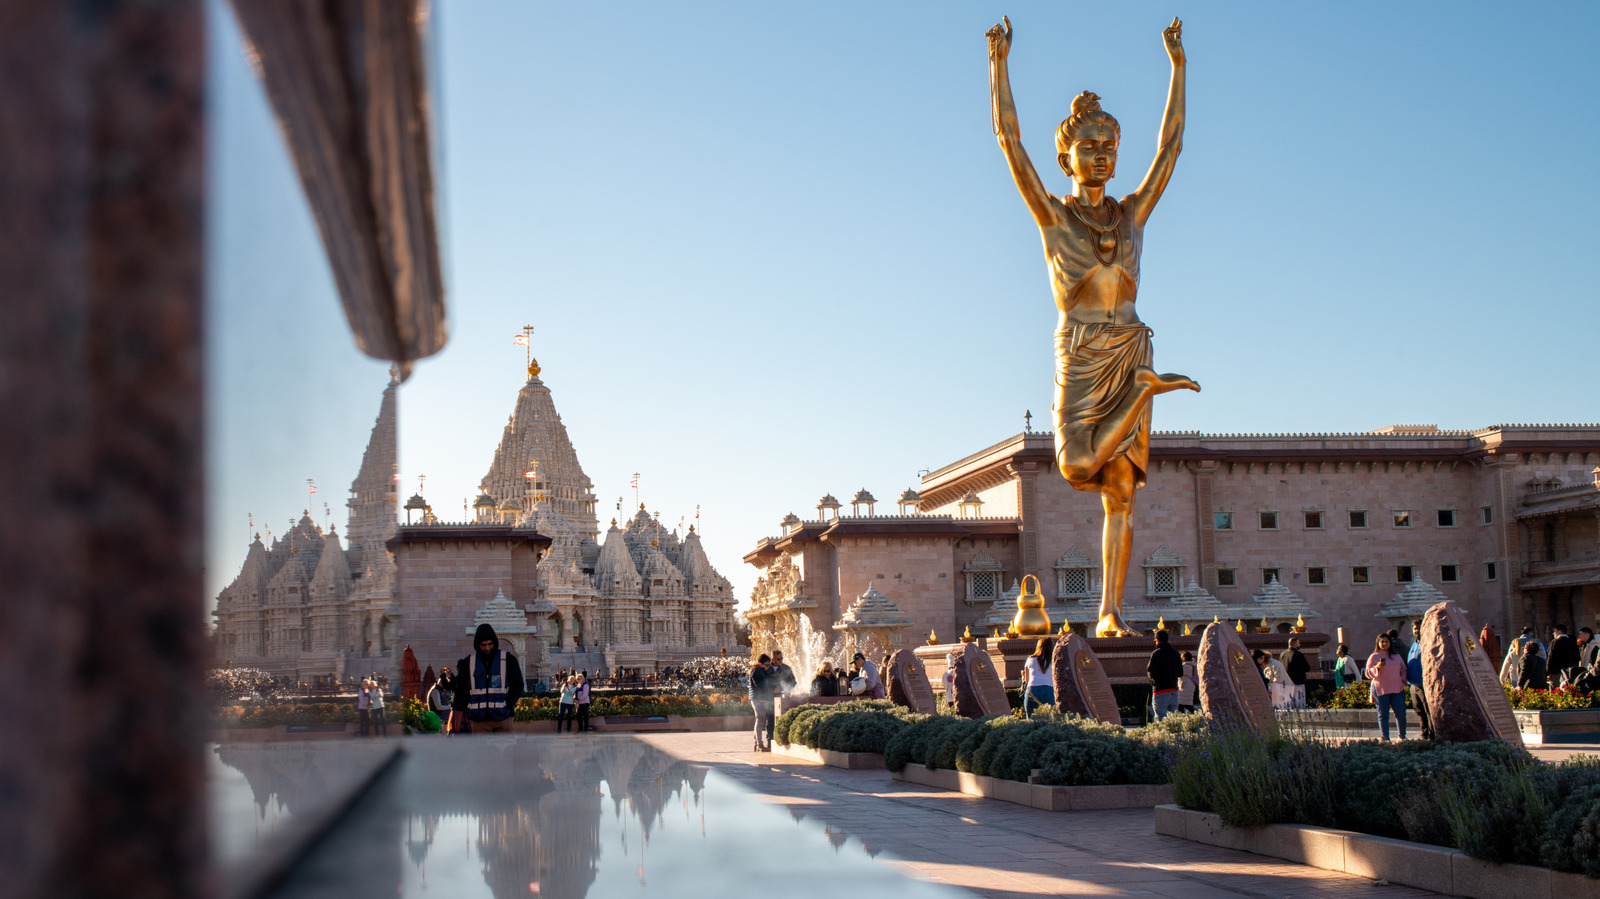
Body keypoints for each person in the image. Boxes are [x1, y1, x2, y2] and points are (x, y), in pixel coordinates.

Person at [985, 16, 1198, 638]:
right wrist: (998, 65)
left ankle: (1110, 611)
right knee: (1077, 464)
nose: (1102, 154)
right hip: (1080, 353)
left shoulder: (1132, 214)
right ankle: (1144, 391)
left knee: (1121, 495)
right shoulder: (1052, 217)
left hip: (1129, 344)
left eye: (1109, 146)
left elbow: (1172, 147)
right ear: (1066, 156)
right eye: (1090, 146)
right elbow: (1008, 140)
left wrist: (1178, 68)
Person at [450, 622, 527, 734]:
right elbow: (461, 689)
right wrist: (462, 709)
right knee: (482, 751)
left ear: (495, 643)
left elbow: (518, 684)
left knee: (505, 750)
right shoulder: (469, 662)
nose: (487, 648)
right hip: (478, 719)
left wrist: (508, 704)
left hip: (503, 717)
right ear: (477, 645)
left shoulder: (508, 660)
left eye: (490, 644)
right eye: (483, 645)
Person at [1366, 634, 1408, 741]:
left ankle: (1402, 737)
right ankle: (1385, 739)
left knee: (1400, 714)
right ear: (1378, 643)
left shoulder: (1396, 656)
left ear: (1390, 643)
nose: (1384, 644)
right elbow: (1367, 673)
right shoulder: (1374, 656)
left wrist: (1403, 680)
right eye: (1382, 642)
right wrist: (1377, 667)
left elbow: (1404, 670)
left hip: (1397, 688)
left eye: (1387, 641)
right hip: (1381, 689)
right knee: (1383, 715)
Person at [1406, 620, 1433, 740]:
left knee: (1428, 711)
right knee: (1419, 711)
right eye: (1415, 629)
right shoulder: (1414, 644)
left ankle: (1432, 735)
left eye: (1418, 628)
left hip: (1424, 685)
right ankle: (1424, 734)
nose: (1416, 631)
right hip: (1413, 685)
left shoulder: (1427, 643)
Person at [1145, 630, 1182, 720]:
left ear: (1157, 640)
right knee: (1174, 720)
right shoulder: (1176, 653)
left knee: (1160, 719)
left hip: (1160, 691)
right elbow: (1181, 673)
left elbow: (1150, 671)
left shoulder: (1156, 653)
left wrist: (1153, 682)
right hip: (1173, 690)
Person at [1024, 637, 1057, 717]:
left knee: (1031, 720)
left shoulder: (1030, 659)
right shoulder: (1053, 661)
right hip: (1048, 688)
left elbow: (1026, 680)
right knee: (1049, 719)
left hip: (1032, 689)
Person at [749, 654, 774, 752]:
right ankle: (759, 744)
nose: (768, 667)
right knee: (760, 721)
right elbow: (760, 685)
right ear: (760, 663)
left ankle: (757, 743)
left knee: (760, 721)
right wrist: (771, 689)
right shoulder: (756, 671)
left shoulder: (763, 671)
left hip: (763, 699)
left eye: (769, 665)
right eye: (766, 665)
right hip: (758, 699)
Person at [1280, 637, 1310, 710]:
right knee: (1299, 705)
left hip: (1286, 683)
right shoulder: (1297, 654)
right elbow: (1306, 668)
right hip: (1297, 682)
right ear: (1295, 644)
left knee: (1288, 705)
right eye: (1299, 643)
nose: (1299, 645)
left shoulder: (1283, 654)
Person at [426, 666, 454, 732]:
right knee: (453, 712)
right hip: (437, 715)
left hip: (440, 714)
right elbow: (438, 707)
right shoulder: (435, 691)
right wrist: (450, 707)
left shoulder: (438, 690)